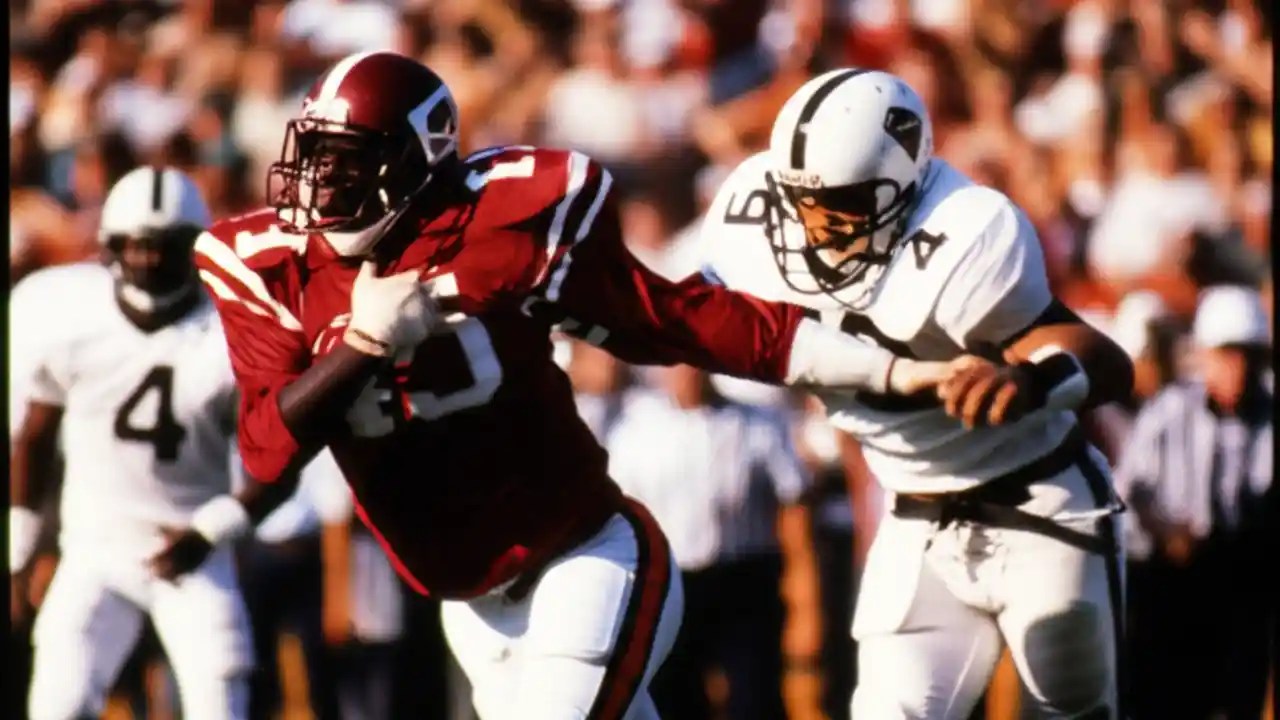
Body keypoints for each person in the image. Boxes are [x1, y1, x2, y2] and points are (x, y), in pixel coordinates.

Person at [148, 51, 950, 720]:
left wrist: (891, 369)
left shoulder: (510, 224)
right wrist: (362, 343)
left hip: (587, 559)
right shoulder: (266, 265)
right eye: (313, 157)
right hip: (468, 604)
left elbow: (682, 322)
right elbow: (265, 446)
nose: (318, 186)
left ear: (415, 161)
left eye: (346, 162)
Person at [696, 68, 1135, 718]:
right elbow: (690, 319)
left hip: (1042, 503)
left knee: (1072, 709)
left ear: (902, 185)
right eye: (802, 204)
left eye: (839, 205)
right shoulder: (753, 223)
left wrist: (1030, 378)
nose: (815, 229)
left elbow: (1107, 362)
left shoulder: (963, 231)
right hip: (915, 516)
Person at [8, 166, 252, 720]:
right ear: (110, 247)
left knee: (221, 704)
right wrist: (19, 548)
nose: (148, 259)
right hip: (94, 547)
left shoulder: (230, 333)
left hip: (193, 544)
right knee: (58, 702)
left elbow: (278, 461)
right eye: (134, 245)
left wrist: (212, 530)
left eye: (163, 246)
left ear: (193, 248)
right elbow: (37, 433)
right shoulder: (71, 310)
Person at [1115, 285, 1275, 720]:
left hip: (1240, 581)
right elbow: (1132, 490)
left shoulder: (1268, 417)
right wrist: (1167, 531)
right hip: (1168, 580)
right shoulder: (1169, 411)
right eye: (1226, 355)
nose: (1237, 370)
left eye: (1248, 357)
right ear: (1203, 355)